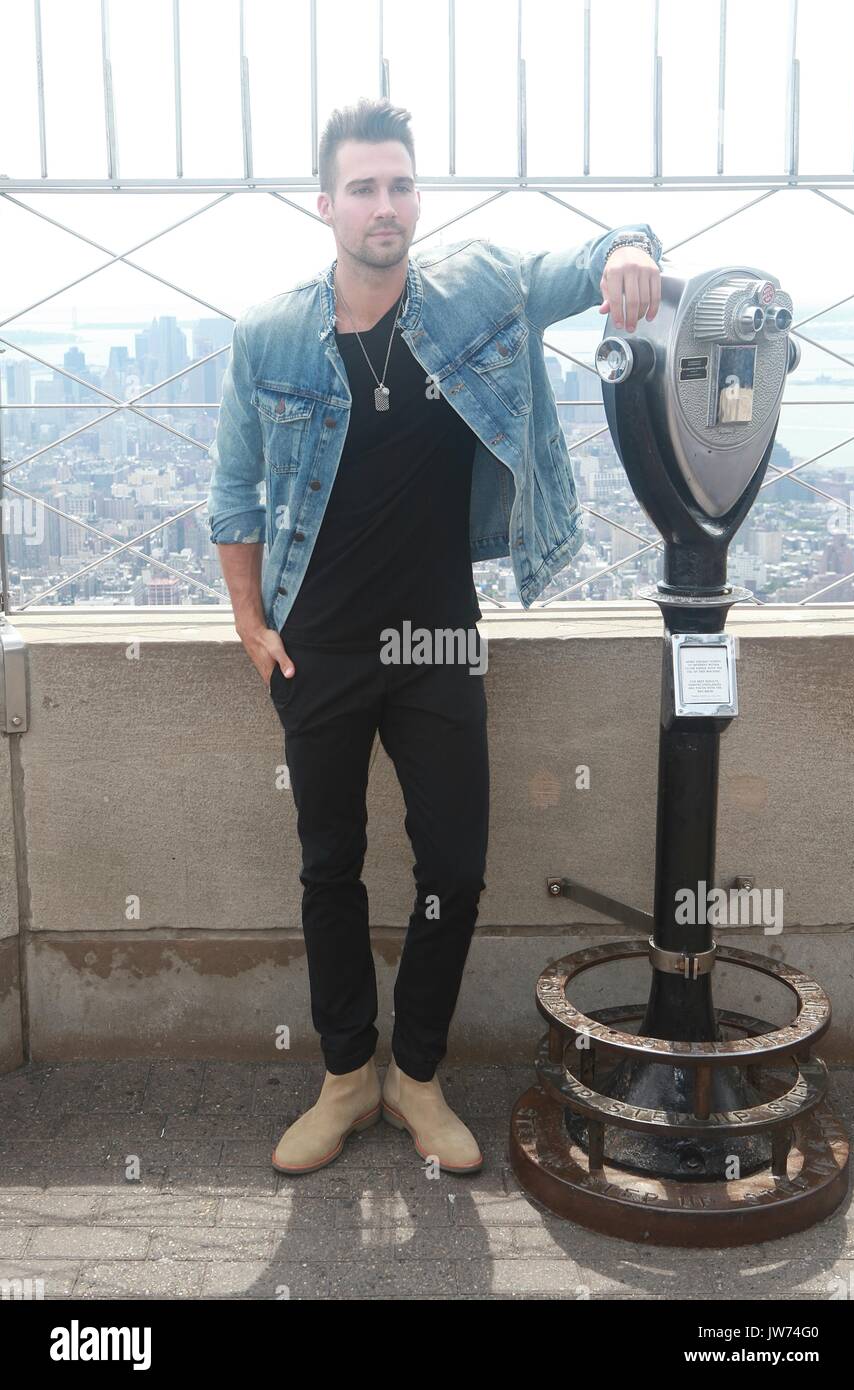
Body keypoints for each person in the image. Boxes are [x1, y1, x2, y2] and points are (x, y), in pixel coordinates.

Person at [206, 96, 661, 1177]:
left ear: (418, 196)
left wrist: (634, 246)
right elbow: (232, 495)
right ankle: (342, 1077)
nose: (384, 204)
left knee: (453, 863)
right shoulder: (269, 334)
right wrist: (248, 625)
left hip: (438, 639)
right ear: (325, 205)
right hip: (317, 641)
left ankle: (415, 1075)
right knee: (330, 865)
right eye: (362, 187)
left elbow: (586, 254)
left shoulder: (476, 289)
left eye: (400, 184)